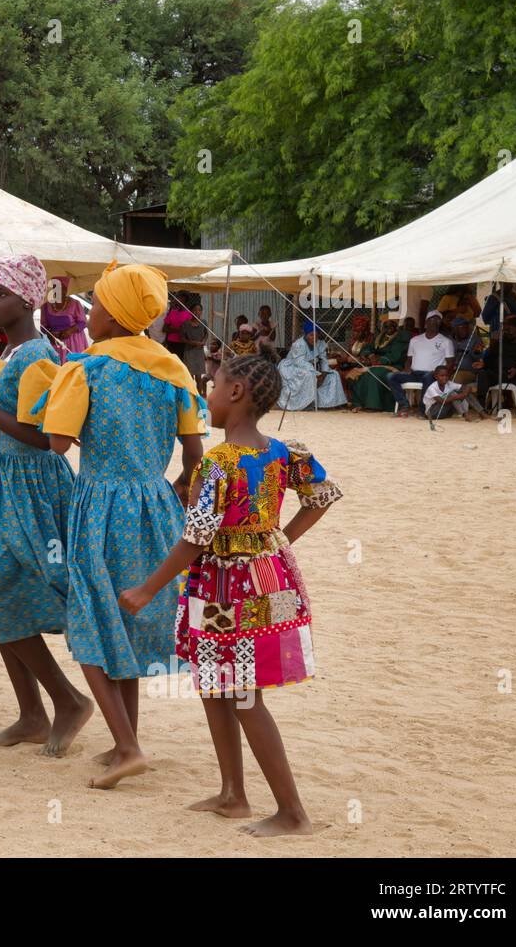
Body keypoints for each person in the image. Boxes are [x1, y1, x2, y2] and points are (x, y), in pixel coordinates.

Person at [120, 352, 342, 837]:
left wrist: (146, 588)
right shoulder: (282, 451)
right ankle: (232, 794)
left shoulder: (220, 463)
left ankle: (292, 813)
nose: (208, 393)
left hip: (229, 590)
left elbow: (196, 537)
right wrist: (274, 539)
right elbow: (322, 496)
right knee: (218, 684)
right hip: (267, 578)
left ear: (236, 393)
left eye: (214, 386)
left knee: (242, 693)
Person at [40, 262, 205, 788]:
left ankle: (129, 748)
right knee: (126, 623)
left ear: (113, 314)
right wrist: (175, 487)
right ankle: (122, 738)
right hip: (155, 504)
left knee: (91, 622)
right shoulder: (172, 370)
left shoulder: (85, 368)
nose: (92, 312)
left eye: (98, 304)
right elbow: (195, 453)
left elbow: (57, 443)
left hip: (100, 505)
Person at [0, 255, 93, 757]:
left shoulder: (36, 358)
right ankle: (32, 714)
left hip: (33, 485)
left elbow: (44, 438)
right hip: (2, 480)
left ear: (28, 298)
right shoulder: (9, 355)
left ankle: (68, 701)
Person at [387, 313, 454, 417]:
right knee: (391, 376)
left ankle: (422, 410)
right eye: (432, 320)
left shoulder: (446, 341)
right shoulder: (415, 340)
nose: (435, 322)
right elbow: (409, 359)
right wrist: (407, 369)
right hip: (414, 373)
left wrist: (442, 376)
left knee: (428, 376)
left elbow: (450, 363)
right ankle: (404, 405)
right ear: (426, 322)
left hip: (432, 375)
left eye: (437, 320)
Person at [276, 321, 345, 410]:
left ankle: (329, 403)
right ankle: (306, 404)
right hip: (293, 368)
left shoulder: (320, 344)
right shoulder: (299, 344)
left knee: (334, 375)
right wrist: (316, 374)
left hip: (311, 369)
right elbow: (299, 362)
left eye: (316, 335)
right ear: (305, 335)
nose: (314, 338)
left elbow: (324, 360)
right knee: (309, 375)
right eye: (311, 335)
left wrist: (323, 375)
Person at [477, 317, 516, 413]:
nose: (506, 332)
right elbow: (490, 359)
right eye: (505, 330)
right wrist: (483, 364)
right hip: (498, 375)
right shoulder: (499, 344)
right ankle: (480, 407)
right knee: (483, 374)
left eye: (509, 330)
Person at [349, 313, 410, 412]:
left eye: (391, 325)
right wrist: (370, 355)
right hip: (376, 364)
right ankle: (359, 403)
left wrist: (378, 360)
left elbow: (395, 355)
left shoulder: (402, 336)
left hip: (393, 366)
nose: (388, 328)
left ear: (396, 326)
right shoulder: (379, 337)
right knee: (357, 374)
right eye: (386, 325)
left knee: (373, 374)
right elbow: (367, 348)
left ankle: (373, 405)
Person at [40, 277, 89, 354]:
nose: (57, 290)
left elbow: (83, 323)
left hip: (74, 344)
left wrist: (70, 331)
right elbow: (43, 327)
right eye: (54, 287)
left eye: (60, 287)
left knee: (73, 365)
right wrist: (50, 335)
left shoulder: (75, 304)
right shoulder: (46, 306)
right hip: (55, 344)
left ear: (66, 289)